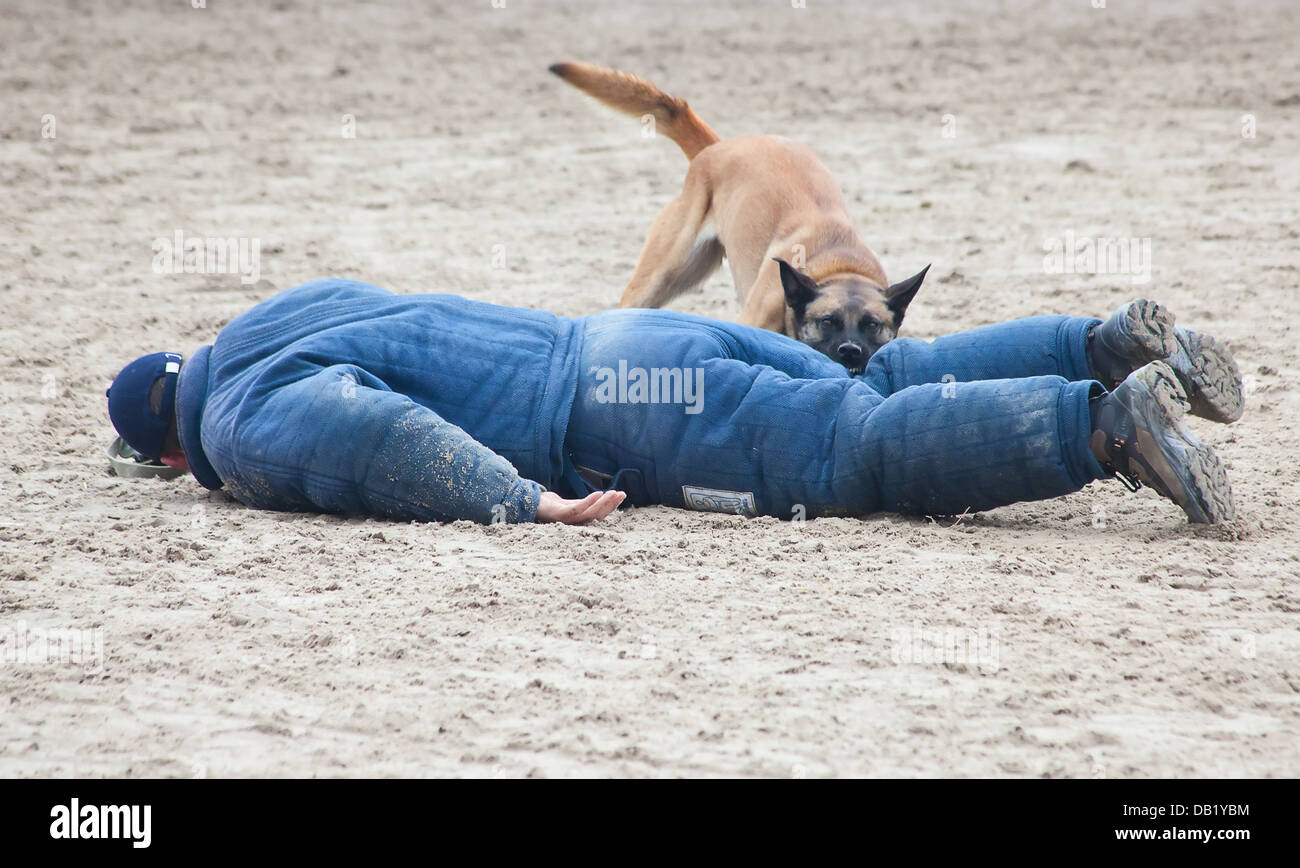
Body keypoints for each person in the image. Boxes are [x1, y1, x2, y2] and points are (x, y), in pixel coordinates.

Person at [106, 279, 1242, 526]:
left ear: (166, 451)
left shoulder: (234, 418)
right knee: (879, 372)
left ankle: (1105, 424)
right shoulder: (268, 316)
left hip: (615, 410)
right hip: (622, 335)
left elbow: (365, 437)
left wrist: (513, 501)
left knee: (848, 453)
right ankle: (1093, 343)